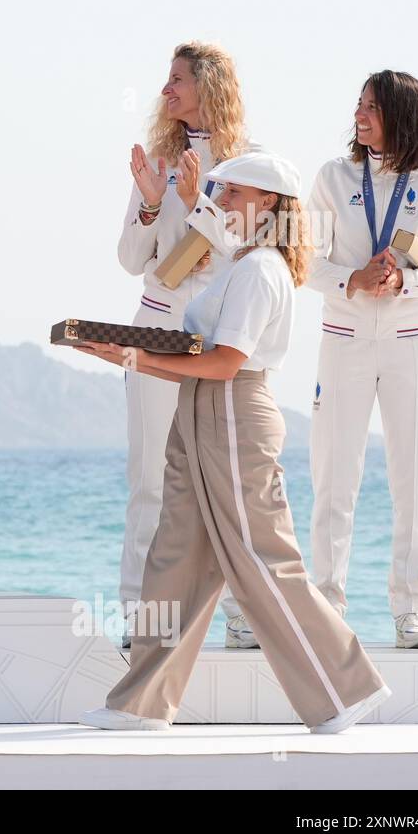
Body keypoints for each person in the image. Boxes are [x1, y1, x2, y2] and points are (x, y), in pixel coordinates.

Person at [75, 152, 391, 733]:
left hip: (233, 415)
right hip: (199, 412)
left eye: (230, 194)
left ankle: (347, 690)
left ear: (267, 202)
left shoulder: (260, 270)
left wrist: (137, 354)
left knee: (263, 558)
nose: (218, 203)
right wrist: (127, 355)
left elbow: (226, 364)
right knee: (176, 559)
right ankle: (140, 705)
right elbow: (197, 362)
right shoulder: (238, 265)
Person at [305, 71, 418, 649]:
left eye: (371, 107)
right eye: (359, 104)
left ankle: (412, 612)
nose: (359, 115)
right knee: (334, 480)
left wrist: (405, 281)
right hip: (343, 340)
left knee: (414, 481)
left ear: (401, 114)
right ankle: (325, 607)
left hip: (409, 346)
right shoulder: (332, 177)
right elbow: (304, 263)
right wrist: (352, 278)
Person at [116, 41, 260, 648]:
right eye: (167, 79)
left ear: (210, 87)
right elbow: (130, 260)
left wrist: (200, 202)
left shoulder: (251, 165)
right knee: (150, 479)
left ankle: (238, 617)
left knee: (222, 483)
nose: (166, 90)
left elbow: (248, 253)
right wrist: (153, 203)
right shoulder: (158, 158)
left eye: (177, 79)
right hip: (153, 329)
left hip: (215, 341)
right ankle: (136, 615)